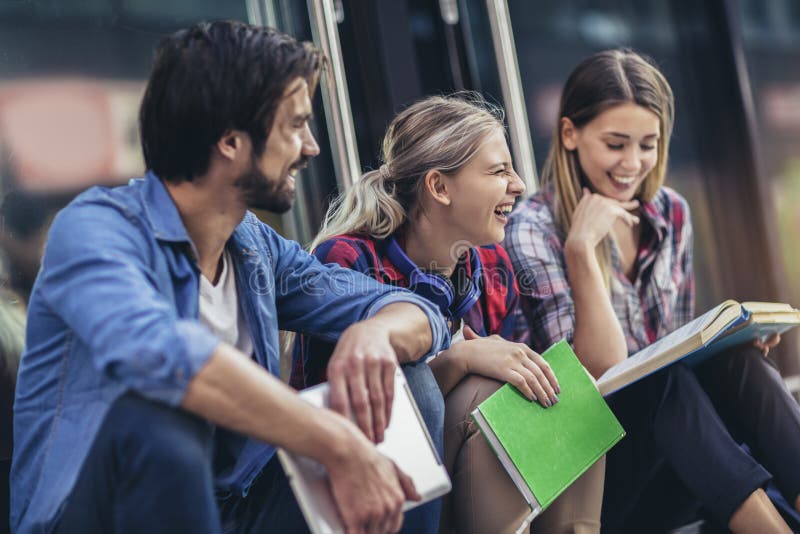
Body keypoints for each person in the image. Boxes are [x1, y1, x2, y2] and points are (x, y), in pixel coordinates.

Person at [11, 21, 452, 534]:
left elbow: (419, 313)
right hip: (106, 512)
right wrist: (335, 441)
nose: (310, 147)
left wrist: (375, 333)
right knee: (159, 425)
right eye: (294, 126)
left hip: (241, 508)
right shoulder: (93, 230)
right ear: (231, 141)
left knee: (407, 385)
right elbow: (159, 356)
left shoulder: (255, 246)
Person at [504, 49, 800, 533]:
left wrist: (727, 344)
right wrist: (581, 250)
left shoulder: (670, 213)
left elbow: (675, 347)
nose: (633, 163)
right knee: (654, 380)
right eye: (616, 144)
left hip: (687, 454)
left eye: (648, 145)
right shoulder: (533, 230)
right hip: (591, 479)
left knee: (737, 362)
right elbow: (595, 379)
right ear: (569, 135)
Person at [292, 93, 607, 534]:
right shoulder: (348, 259)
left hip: (461, 482)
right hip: (367, 489)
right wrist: (458, 360)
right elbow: (351, 420)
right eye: (499, 171)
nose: (518, 185)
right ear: (439, 187)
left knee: (562, 398)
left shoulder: (493, 265)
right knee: (487, 390)